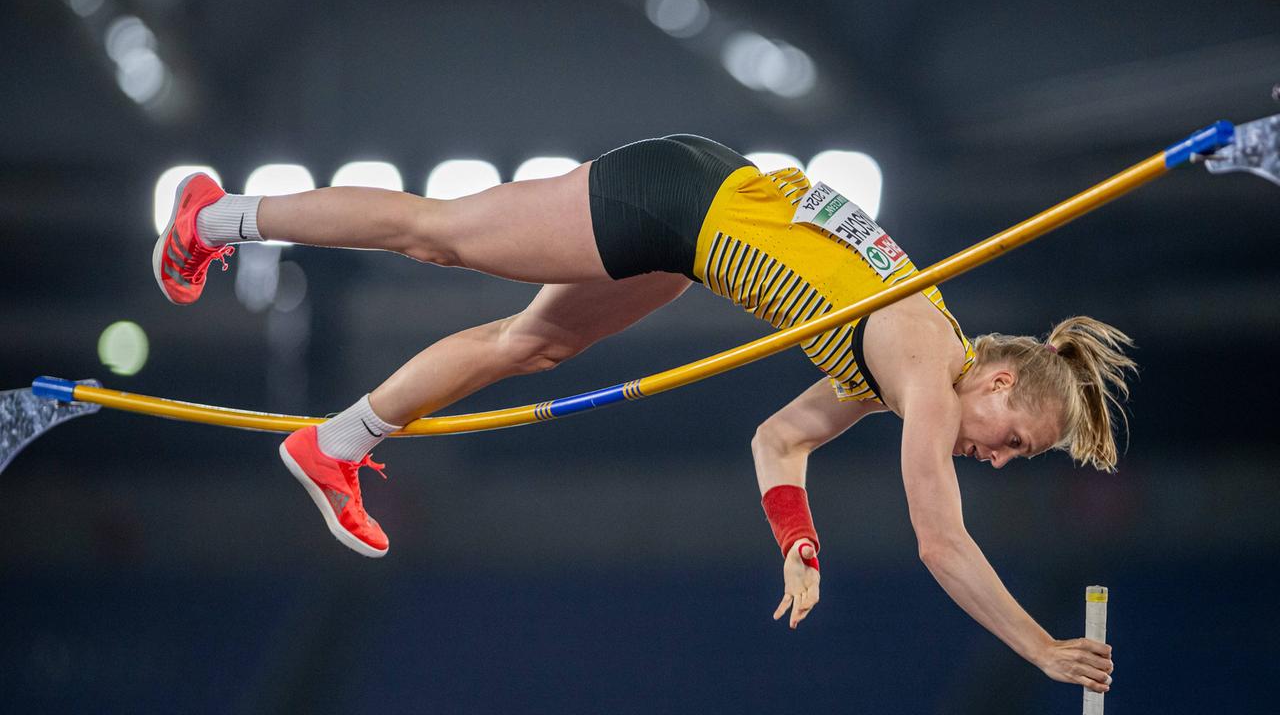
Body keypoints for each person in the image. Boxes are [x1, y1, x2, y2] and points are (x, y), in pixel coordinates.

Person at [155, 134, 1126, 693]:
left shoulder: (905, 357)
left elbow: (777, 439)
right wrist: (1040, 648)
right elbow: (939, 542)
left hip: (686, 236)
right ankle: (211, 217)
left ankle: (336, 443)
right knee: (437, 234)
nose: (994, 460)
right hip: (677, 198)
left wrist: (797, 538)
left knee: (530, 345)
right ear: (996, 387)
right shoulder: (921, 362)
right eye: (1013, 445)